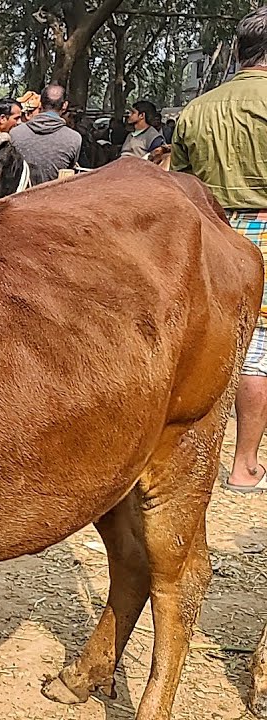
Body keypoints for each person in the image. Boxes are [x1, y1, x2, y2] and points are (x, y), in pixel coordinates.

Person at [172, 6, 267, 491]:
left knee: (222, 345)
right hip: (264, 232)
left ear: (236, 51)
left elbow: (178, 185)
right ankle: (246, 464)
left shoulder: (196, 110)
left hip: (208, 235)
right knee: (258, 353)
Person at [9, 84, 81, 185]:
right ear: (64, 105)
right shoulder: (74, 138)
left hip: (19, 197)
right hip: (55, 197)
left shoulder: (15, 133)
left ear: (40, 104)